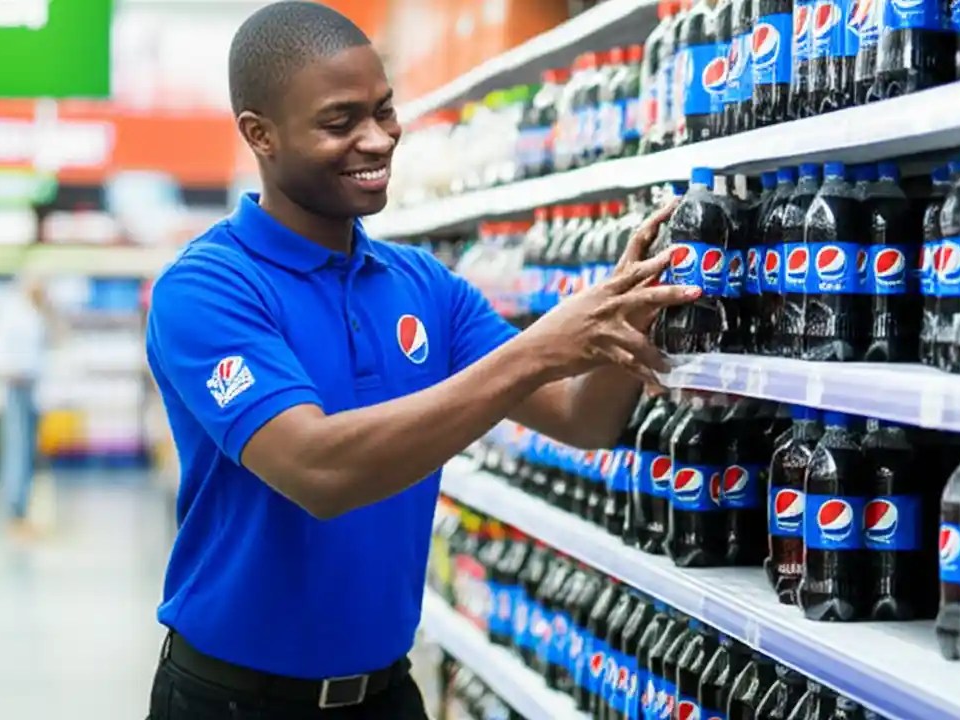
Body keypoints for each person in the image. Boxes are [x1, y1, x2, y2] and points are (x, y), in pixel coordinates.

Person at [143, 3, 697, 718]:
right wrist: (539, 348)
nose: (377, 140)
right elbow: (319, 470)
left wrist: (639, 302)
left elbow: (578, 416)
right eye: (340, 123)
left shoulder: (421, 284)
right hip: (232, 700)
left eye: (384, 111)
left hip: (385, 693)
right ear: (261, 135)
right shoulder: (208, 288)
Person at [0, 272, 49, 537]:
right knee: (17, 451)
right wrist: (9, 372)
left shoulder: (36, 314)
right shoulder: (10, 312)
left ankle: (24, 511)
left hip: (32, 387)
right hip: (14, 388)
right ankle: (14, 513)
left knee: (28, 452)